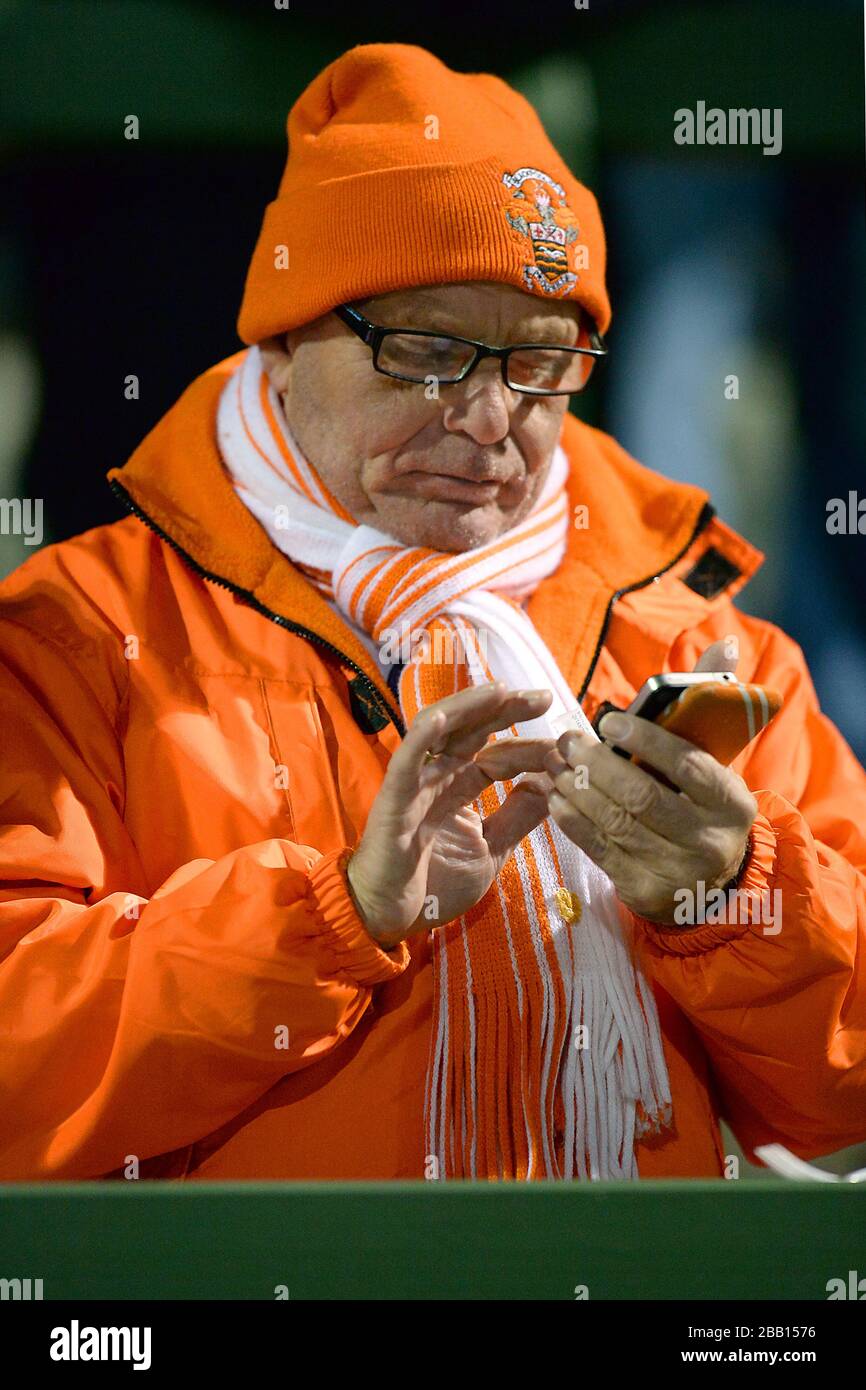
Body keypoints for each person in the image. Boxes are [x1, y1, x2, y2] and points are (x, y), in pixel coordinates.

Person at [0, 43, 863, 1183]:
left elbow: (838, 1099)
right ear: (284, 336)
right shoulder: (79, 631)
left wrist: (738, 902)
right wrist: (330, 916)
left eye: (540, 362)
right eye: (425, 351)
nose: (487, 415)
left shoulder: (707, 637)